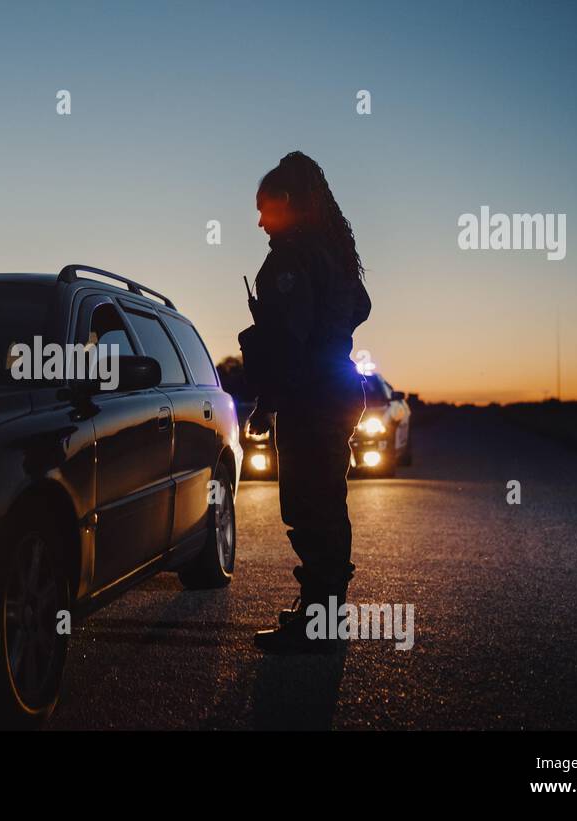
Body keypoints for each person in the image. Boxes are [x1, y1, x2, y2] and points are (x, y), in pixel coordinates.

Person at [240, 152, 371, 654]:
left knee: (306, 506)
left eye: (264, 207)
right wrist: (332, 336)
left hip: (310, 396)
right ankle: (325, 615)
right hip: (338, 389)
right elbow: (361, 306)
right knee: (328, 504)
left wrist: (266, 402)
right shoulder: (334, 253)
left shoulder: (290, 257)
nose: (259, 220)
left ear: (288, 202)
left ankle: (318, 622)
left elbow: (287, 339)